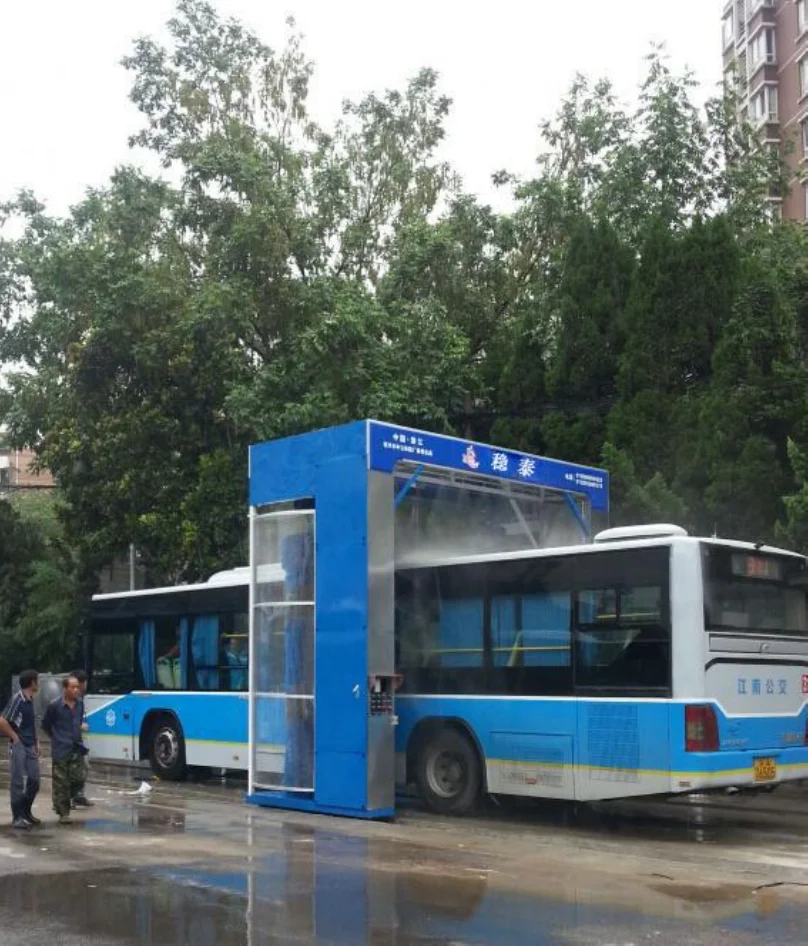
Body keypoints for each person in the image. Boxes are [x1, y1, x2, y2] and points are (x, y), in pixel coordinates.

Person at [42, 675, 86, 825]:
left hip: (77, 747)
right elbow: (46, 725)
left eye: (77, 687)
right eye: (72, 687)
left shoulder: (80, 704)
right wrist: (56, 737)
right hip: (61, 748)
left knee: (79, 778)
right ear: (65, 689)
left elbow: (79, 721)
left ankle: (65, 801)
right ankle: (63, 813)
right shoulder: (55, 706)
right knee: (61, 783)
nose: (76, 690)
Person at [0, 670, 41, 830]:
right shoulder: (18, 699)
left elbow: (32, 724)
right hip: (19, 745)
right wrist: (14, 736)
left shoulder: (30, 700)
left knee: (34, 780)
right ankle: (17, 817)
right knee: (17, 781)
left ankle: (26, 811)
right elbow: (2, 720)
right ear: (32, 682)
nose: (39, 683)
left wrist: (37, 741)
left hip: (30, 745)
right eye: (37, 680)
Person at [70, 670, 93, 809]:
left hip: (78, 741)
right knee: (70, 771)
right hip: (69, 742)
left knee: (84, 767)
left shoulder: (80, 701)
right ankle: (70, 799)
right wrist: (79, 725)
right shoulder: (69, 699)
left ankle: (78, 795)